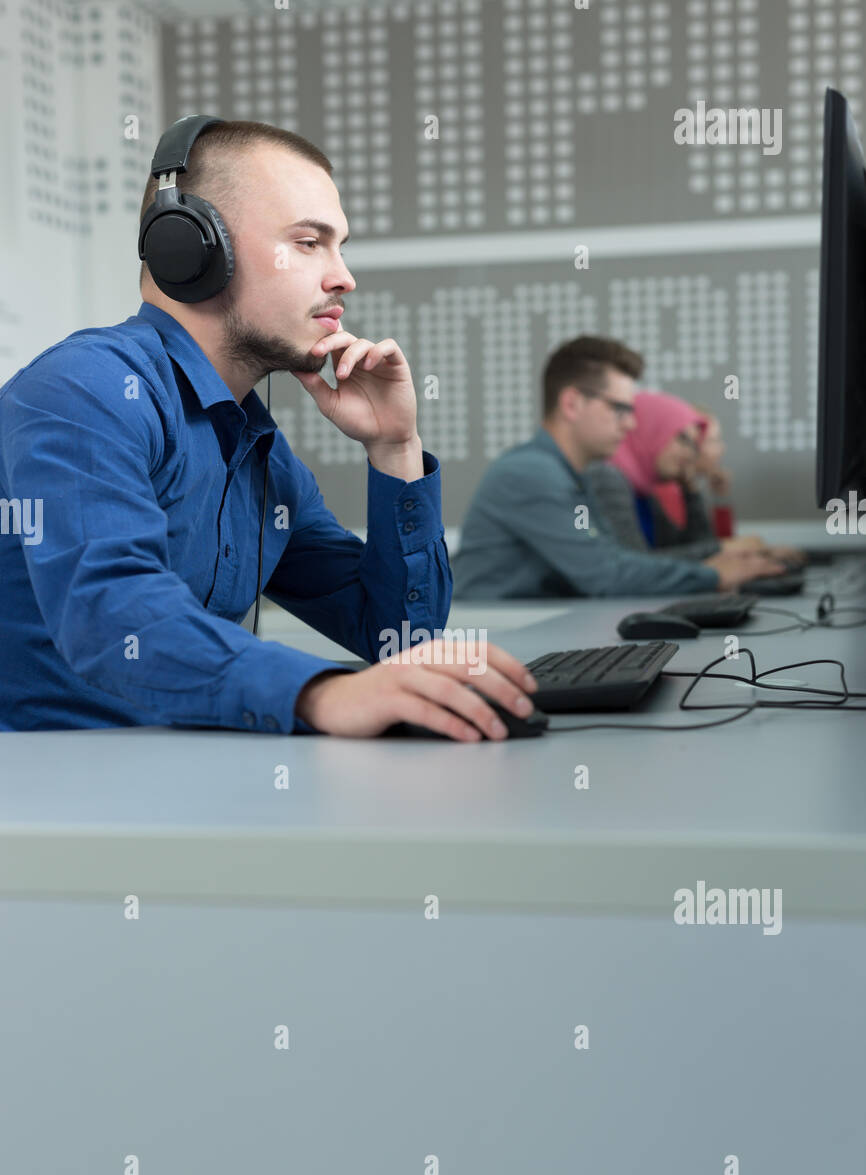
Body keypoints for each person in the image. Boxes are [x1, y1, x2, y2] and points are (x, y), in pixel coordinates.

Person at [0, 118, 536, 743]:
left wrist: (395, 448)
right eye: (309, 242)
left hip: (187, 782)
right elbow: (112, 617)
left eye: (340, 246)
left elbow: (398, 637)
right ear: (193, 248)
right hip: (51, 809)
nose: (344, 277)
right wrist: (323, 695)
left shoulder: (260, 454)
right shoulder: (84, 390)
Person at [453, 337, 785, 600]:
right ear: (572, 403)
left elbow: (617, 560)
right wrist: (714, 574)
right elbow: (605, 574)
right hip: (498, 635)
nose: (631, 424)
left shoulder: (572, 473)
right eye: (620, 409)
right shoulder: (529, 473)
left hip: (539, 624)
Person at [608, 394, 806, 568]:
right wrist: (730, 550)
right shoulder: (635, 487)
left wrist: (696, 491)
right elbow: (642, 565)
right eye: (711, 441)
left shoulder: (647, 492)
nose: (691, 451)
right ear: (654, 434)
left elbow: (687, 548)